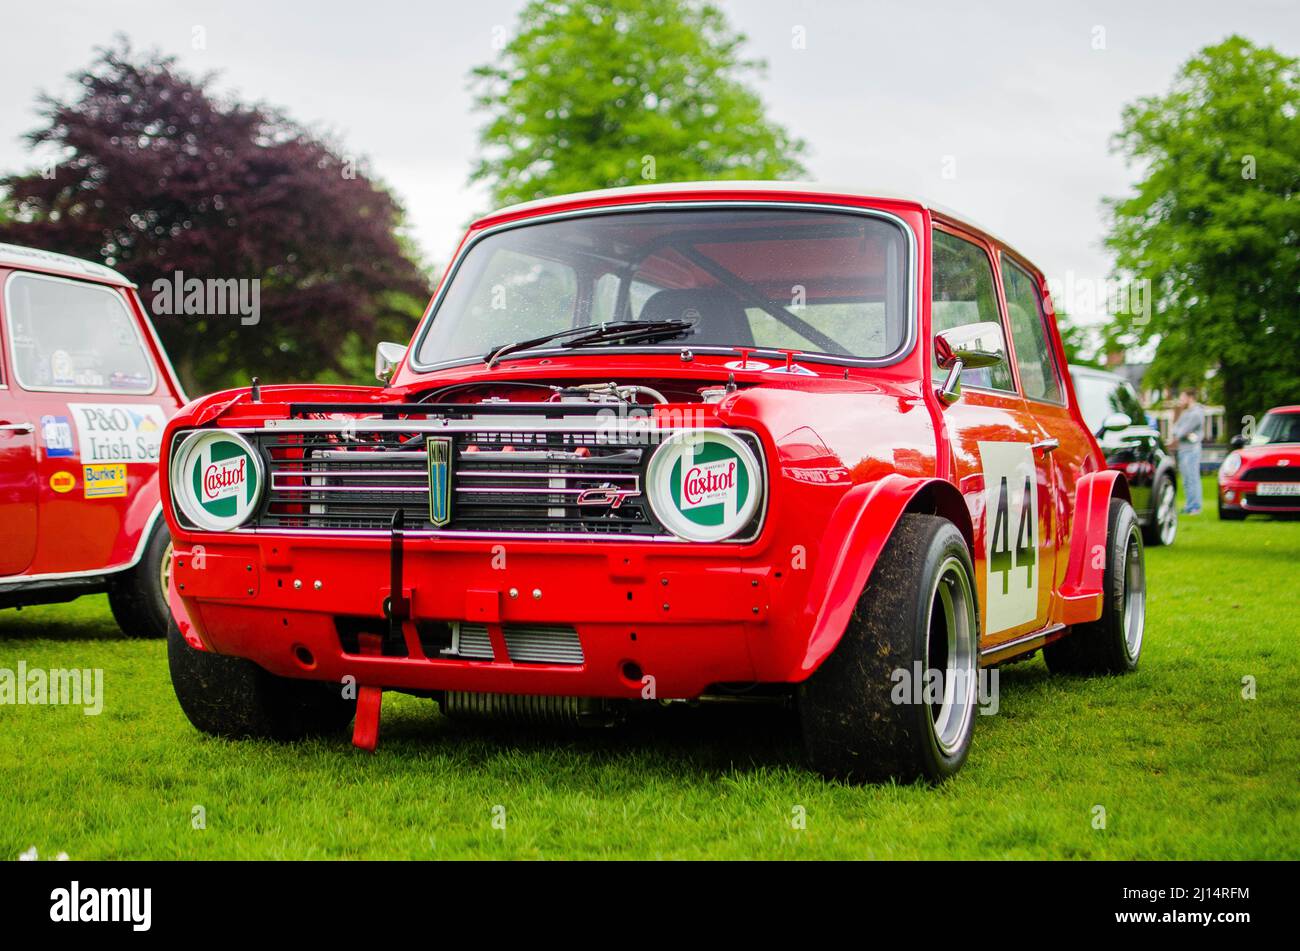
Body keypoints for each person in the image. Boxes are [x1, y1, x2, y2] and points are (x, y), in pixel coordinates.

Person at [1170, 387, 1205, 515]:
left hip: (1192, 450)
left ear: (1190, 398)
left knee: (1192, 478)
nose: (1180, 400)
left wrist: (1180, 432)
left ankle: (1195, 506)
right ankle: (1189, 505)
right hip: (1183, 449)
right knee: (1186, 479)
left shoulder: (1196, 413)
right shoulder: (1185, 413)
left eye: (1182, 397)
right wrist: (1180, 432)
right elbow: (1175, 429)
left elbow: (1180, 432)